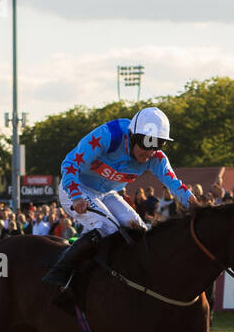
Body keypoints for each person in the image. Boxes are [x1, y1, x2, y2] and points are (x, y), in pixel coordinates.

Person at [42, 106, 192, 305]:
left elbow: (176, 185)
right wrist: (77, 195)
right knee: (107, 228)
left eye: (157, 145)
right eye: (146, 144)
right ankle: (60, 277)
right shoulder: (108, 136)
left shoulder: (156, 158)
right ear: (132, 136)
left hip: (106, 194)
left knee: (137, 228)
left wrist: (200, 207)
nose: (149, 152)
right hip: (76, 188)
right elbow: (69, 164)